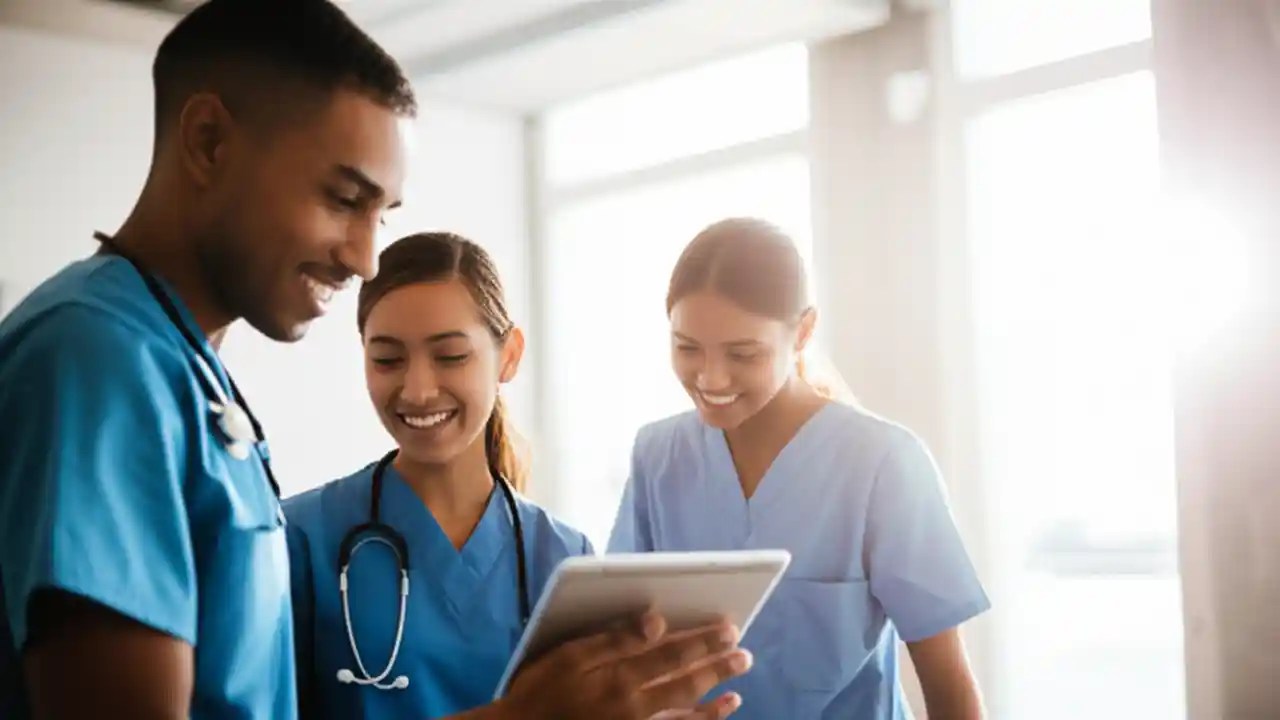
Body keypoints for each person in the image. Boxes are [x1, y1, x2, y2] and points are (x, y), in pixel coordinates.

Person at [0, 2, 748, 718]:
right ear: (209, 143)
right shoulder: (97, 360)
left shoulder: (187, 380)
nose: (364, 258)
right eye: (341, 197)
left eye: (380, 214)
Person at [285, 232, 746, 720]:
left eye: (450, 356)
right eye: (387, 359)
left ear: (508, 355)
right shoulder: (299, 538)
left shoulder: (564, 556)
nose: (417, 390)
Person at [609, 218, 991, 719]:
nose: (710, 376)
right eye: (687, 348)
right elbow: (623, 650)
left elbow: (948, 683)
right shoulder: (657, 456)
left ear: (803, 331)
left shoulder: (882, 464)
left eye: (742, 354)